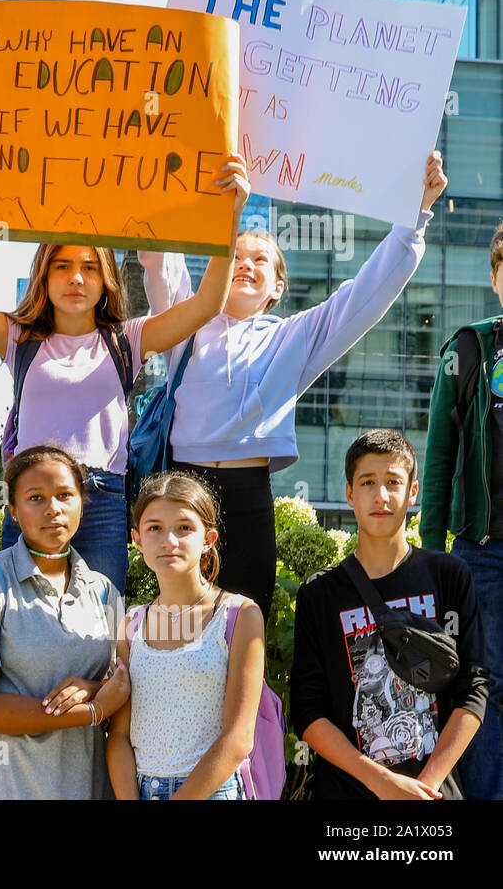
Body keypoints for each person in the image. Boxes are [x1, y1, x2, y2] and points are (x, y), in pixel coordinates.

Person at [0, 144, 246, 592]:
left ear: (105, 277)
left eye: (89, 267)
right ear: (44, 277)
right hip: (34, 498)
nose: (75, 278)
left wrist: (230, 215)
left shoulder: (126, 341)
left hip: (103, 501)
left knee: (100, 631)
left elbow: (207, 304)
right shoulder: (20, 339)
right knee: (25, 621)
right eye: (63, 266)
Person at [140, 153, 448, 615]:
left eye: (259, 259)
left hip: (250, 495)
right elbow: (159, 261)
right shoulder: (186, 323)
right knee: (181, 619)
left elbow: (364, 296)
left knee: (247, 621)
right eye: (233, 256)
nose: (244, 264)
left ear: (278, 287)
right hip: (186, 489)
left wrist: (416, 216)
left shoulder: (293, 337)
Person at [291, 428, 488, 800]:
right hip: (347, 790)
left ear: (413, 491)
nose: (381, 496)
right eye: (367, 482)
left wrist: (425, 787)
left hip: (433, 790)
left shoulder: (448, 576)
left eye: (393, 482)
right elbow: (307, 710)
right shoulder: (320, 593)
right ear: (349, 492)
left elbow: (474, 688)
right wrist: (379, 781)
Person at [0, 445, 130, 799]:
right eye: (35, 497)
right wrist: (92, 711)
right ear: (12, 509)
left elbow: (120, 682)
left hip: (80, 786)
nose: (53, 509)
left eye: (64, 495)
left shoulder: (105, 592)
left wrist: (93, 688)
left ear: (81, 503)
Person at [106, 472, 265, 800]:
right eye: (154, 528)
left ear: (208, 538)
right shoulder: (130, 625)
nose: (169, 541)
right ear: (137, 539)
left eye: (184, 528)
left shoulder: (239, 615)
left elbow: (238, 738)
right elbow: (118, 735)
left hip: (216, 791)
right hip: (141, 790)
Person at [421, 219, 503, 800]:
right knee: (486, 686)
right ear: (496, 278)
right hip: (485, 551)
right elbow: (439, 457)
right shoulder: (471, 347)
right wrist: (429, 553)